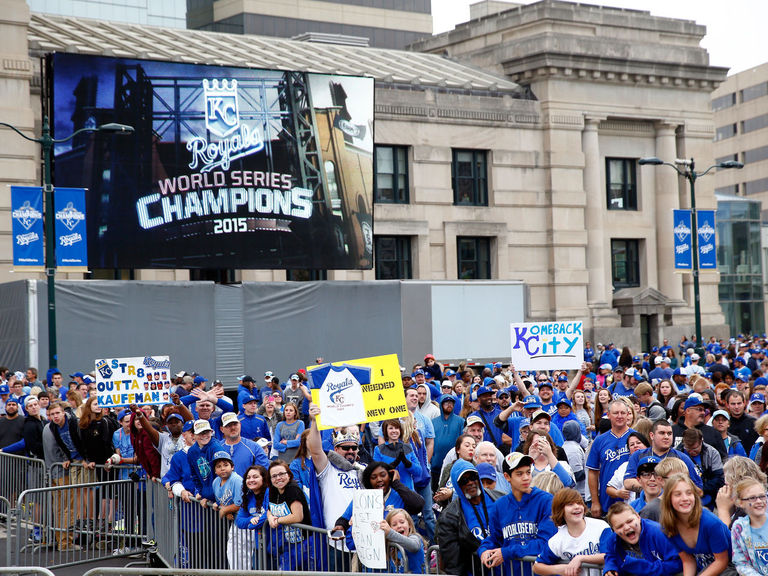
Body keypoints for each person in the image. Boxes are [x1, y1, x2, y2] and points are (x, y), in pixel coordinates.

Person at [478, 452, 557, 576]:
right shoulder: (499, 506)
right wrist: (484, 550)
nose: (526, 478)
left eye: (528, 472)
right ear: (507, 476)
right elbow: (494, 539)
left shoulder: (546, 501)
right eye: (519, 474)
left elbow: (545, 543)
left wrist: (507, 553)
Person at [660, 473, 735, 576]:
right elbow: (688, 561)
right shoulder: (668, 526)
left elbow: (721, 561)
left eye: (689, 493)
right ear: (669, 499)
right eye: (678, 494)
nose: (685, 498)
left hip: (730, 567)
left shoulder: (710, 522)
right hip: (704, 568)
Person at [436, 460, 499, 576]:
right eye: (464, 480)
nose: (470, 482)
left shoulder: (500, 499)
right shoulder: (449, 517)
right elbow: (453, 565)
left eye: (473, 477)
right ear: (457, 485)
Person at [533, 488, 610, 576]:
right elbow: (537, 567)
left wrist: (580, 558)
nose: (577, 507)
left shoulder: (600, 526)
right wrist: (559, 569)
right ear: (560, 510)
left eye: (579, 503)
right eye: (570, 504)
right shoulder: (557, 540)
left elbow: (609, 555)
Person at [602, 502, 682, 576]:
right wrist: (610, 567)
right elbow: (610, 555)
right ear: (614, 530)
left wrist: (639, 566)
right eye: (620, 526)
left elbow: (678, 563)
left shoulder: (658, 532)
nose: (626, 527)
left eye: (630, 521)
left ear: (638, 517)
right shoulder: (614, 540)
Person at [587, 400, 635, 517]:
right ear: (608, 415)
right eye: (615, 413)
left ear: (628, 414)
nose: (619, 416)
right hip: (607, 500)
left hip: (631, 500)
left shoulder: (636, 438)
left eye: (623, 413)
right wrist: (594, 501)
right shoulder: (600, 440)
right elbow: (593, 472)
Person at [265, 459, 312, 570]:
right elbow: (270, 509)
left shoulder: (292, 489)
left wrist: (278, 521)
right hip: (287, 543)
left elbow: (297, 516)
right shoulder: (274, 490)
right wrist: (270, 517)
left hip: (303, 543)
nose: (278, 478)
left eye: (281, 474)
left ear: (289, 474)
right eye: (274, 476)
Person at [209, 450, 245, 569]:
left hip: (244, 522)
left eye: (226, 465)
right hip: (233, 523)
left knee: (241, 556)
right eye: (218, 466)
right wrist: (220, 507)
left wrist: (225, 510)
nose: (222, 469)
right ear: (215, 470)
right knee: (232, 554)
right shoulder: (216, 482)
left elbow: (240, 505)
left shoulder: (236, 480)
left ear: (232, 467)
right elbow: (221, 503)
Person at [234, 465, 270, 569]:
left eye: (255, 477)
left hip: (275, 545)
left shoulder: (269, 492)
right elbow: (239, 521)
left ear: (263, 478)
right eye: (248, 477)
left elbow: (269, 514)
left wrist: (252, 526)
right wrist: (251, 519)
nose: (251, 480)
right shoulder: (248, 496)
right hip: (260, 545)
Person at [731, 477, 768, 575]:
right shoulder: (739, 528)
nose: (759, 501)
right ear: (740, 503)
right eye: (752, 498)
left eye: (762, 496)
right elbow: (740, 562)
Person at [374, 418, 422, 489]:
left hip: (408, 492)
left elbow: (419, 472)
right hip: (390, 493)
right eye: (391, 428)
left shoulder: (408, 447)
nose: (394, 431)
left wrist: (407, 463)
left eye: (396, 428)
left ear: (400, 430)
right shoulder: (379, 449)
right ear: (385, 431)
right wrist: (394, 464)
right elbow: (377, 473)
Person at [430, 393, 464, 492]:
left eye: (451, 403)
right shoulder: (433, 422)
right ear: (441, 404)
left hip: (453, 464)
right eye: (446, 402)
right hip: (436, 464)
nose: (449, 405)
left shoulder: (460, 421)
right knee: (436, 491)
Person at [381, 508, 426, 574]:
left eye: (402, 522)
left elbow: (414, 546)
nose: (399, 526)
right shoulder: (392, 546)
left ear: (409, 524)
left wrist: (390, 533)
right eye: (394, 525)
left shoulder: (415, 538)